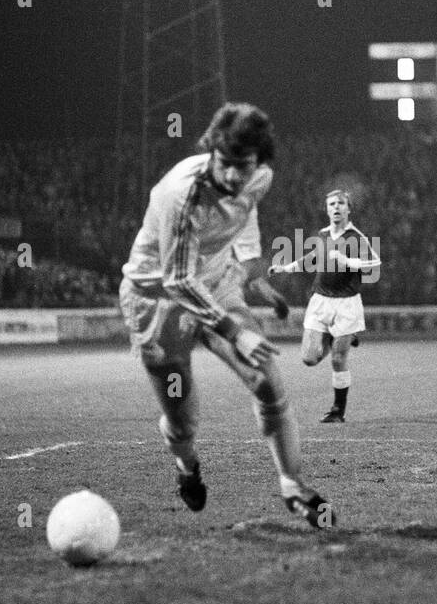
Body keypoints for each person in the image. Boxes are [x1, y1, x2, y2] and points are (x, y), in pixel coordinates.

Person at [119, 102, 333, 527]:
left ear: (259, 163)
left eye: (245, 166)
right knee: (183, 417)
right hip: (157, 300)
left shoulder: (260, 178)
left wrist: (253, 279)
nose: (235, 176)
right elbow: (178, 280)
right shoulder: (181, 196)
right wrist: (236, 331)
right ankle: (186, 466)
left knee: (267, 378)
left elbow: (244, 216)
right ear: (211, 151)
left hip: (217, 284)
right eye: (226, 164)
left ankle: (293, 487)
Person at [268, 189, 380, 422]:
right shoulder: (322, 235)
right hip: (320, 301)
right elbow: (312, 258)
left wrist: (349, 261)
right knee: (309, 358)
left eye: (341, 203)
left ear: (349, 209)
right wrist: (286, 268)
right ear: (327, 209)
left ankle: (338, 411)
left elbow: (374, 262)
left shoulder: (356, 237)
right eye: (332, 204)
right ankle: (334, 336)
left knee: (338, 360)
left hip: (347, 304)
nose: (336, 207)